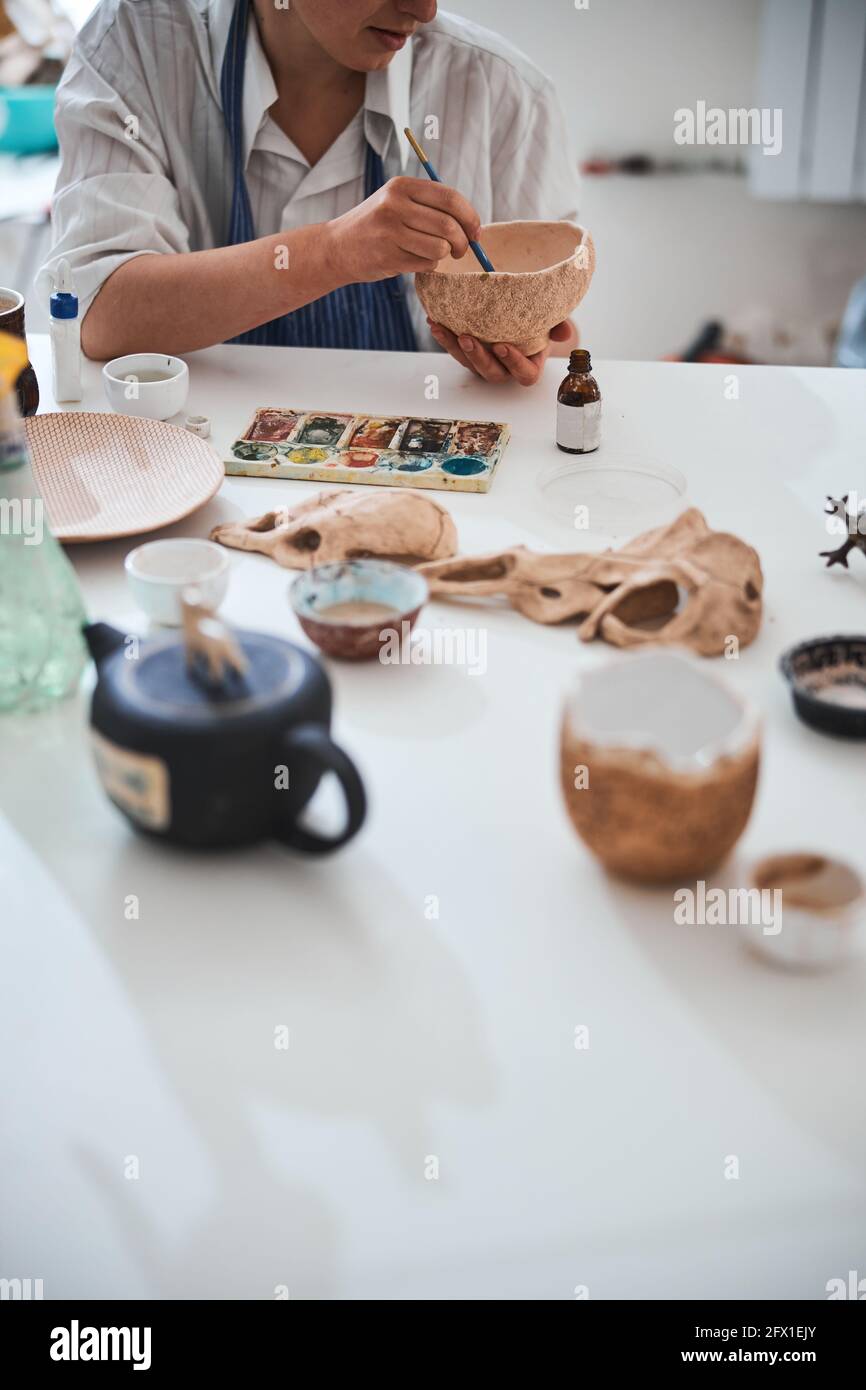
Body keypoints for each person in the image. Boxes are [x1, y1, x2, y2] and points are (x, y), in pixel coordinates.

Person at [38, 1, 580, 386]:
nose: (424, 8)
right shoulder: (135, 42)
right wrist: (331, 253)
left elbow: (558, 340)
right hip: (196, 462)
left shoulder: (504, 91)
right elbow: (96, 311)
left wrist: (527, 351)